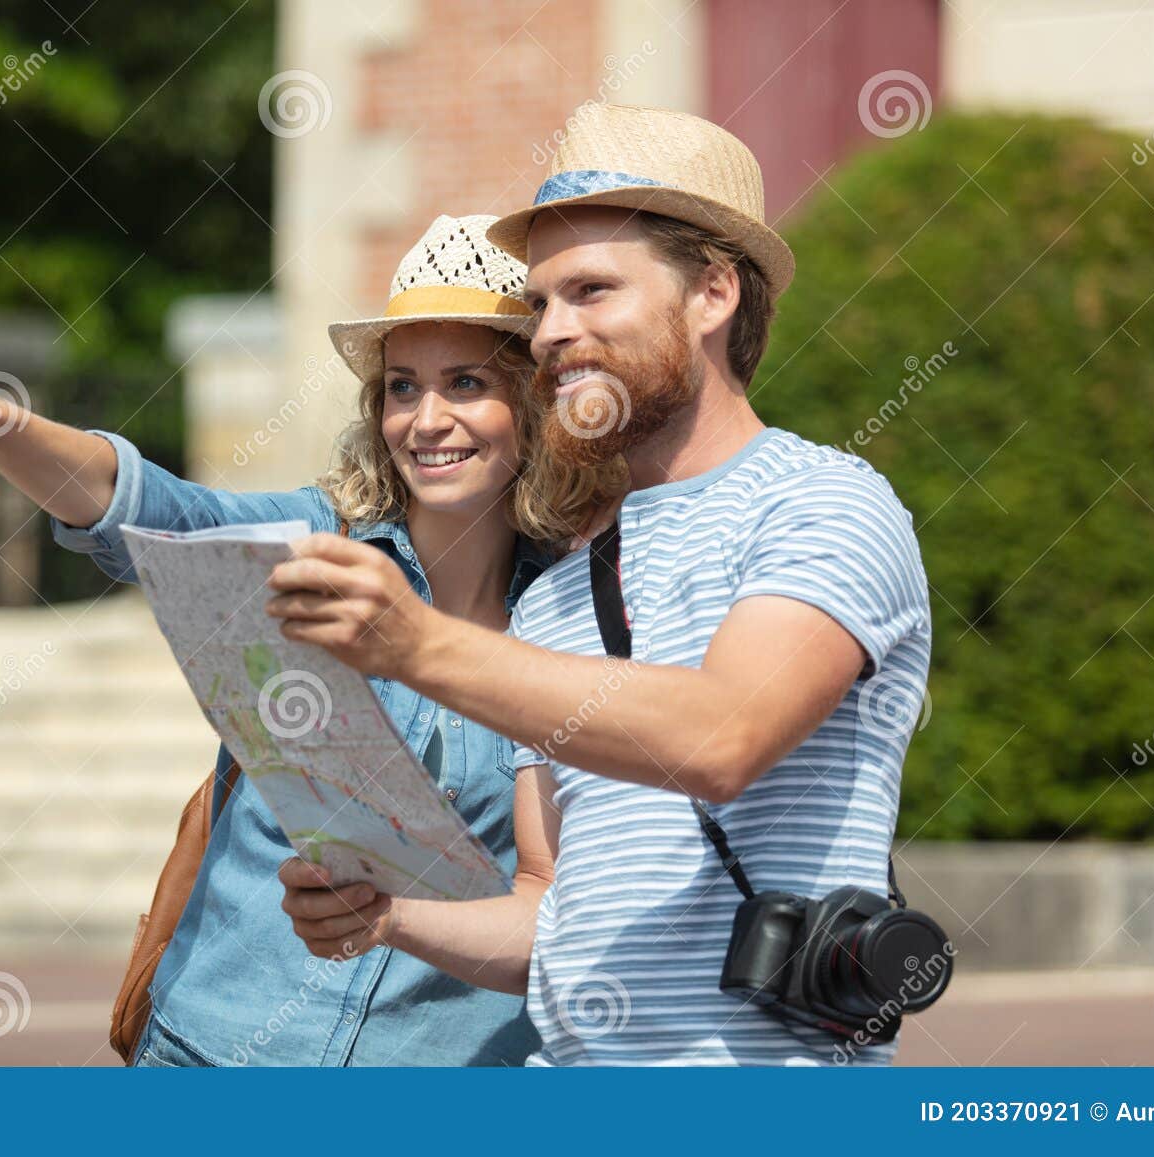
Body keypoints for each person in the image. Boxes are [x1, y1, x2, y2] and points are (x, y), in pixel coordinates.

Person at [0, 213, 624, 1066]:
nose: (425, 419)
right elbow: (149, 509)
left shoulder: (577, 616)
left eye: (465, 383)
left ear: (531, 405)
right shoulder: (313, 545)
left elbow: (555, 904)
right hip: (207, 1055)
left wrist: (401, 921)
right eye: (401, 386)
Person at [274, 104, 934, 1066]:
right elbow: (551, 911)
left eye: (590, 291)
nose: (550, 334)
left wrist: (418, 643)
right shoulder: (553, 594)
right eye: (541, 304)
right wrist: (388, 916)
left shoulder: (825, 502)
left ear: (712, 293)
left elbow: (723, 734)